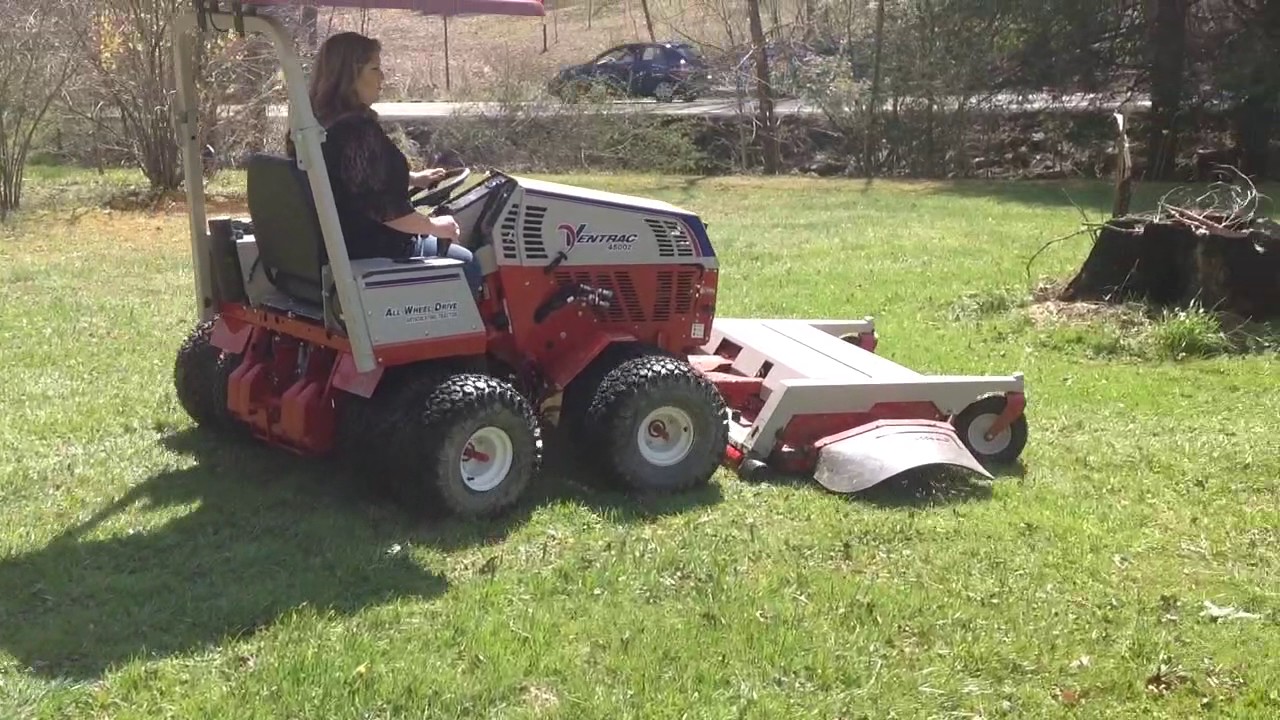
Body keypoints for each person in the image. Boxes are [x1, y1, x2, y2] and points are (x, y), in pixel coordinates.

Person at [286, 32, 484, 295]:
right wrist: (436, 226)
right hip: (372, 251)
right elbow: (387, 211)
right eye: (375, 68)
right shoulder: (356, 131)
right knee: (468, 263)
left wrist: (413, 179)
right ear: (349, 75)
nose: (383, 77)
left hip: (341, 245)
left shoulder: (316, 124)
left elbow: (348, 178)